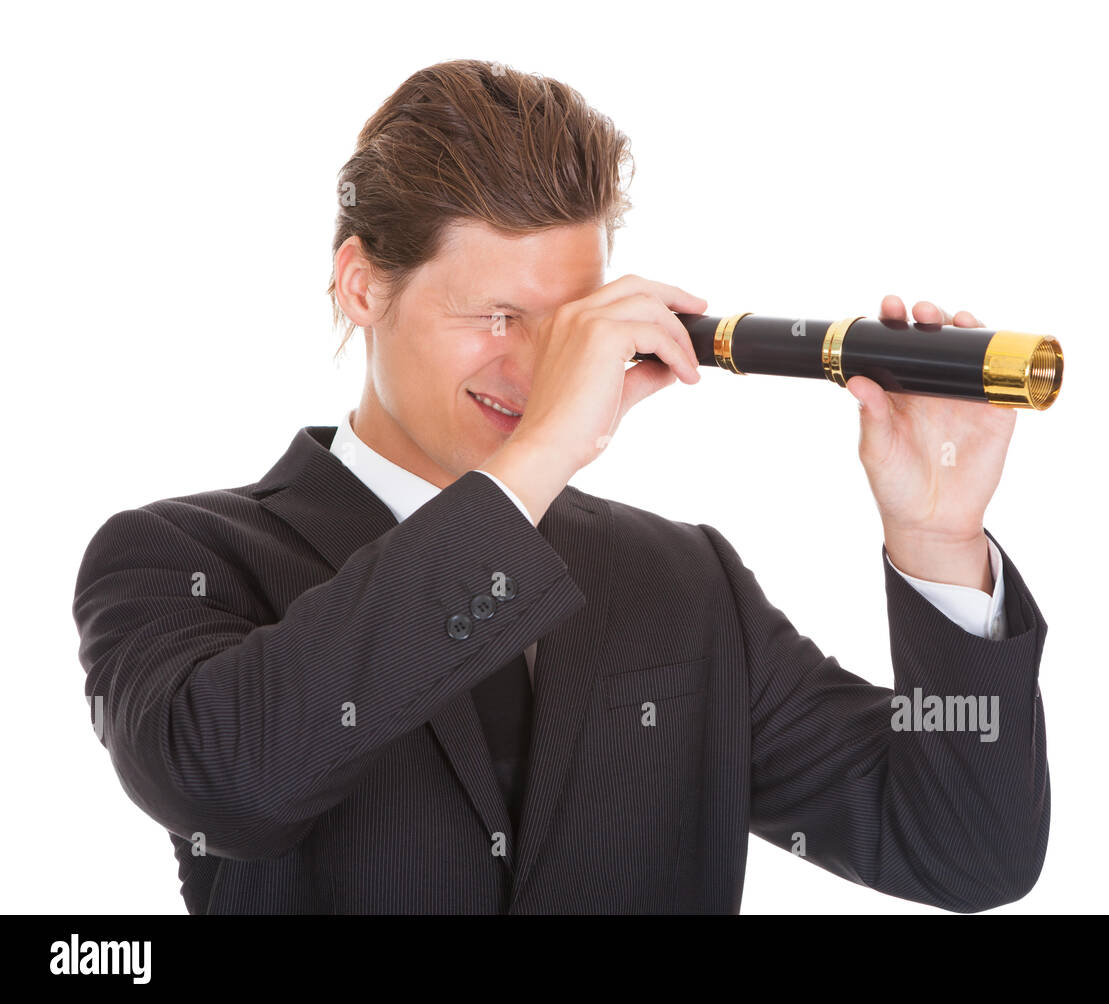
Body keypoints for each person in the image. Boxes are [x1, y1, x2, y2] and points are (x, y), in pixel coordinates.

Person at [72, 59, 1049, 914]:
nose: (540, 365)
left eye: (572, 320)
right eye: (498, 313)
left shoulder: (683, 578)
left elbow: (961, 847)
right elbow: (234, 778)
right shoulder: (179, 557)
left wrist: (936, 537)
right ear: (362, 285)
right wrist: (541, 453)